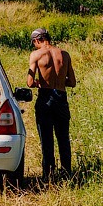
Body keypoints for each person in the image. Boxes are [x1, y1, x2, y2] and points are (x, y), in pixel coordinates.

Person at [27, 26, 75, 181]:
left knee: (46, 138)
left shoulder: (36, 54)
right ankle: (67, 173)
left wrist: (40, 83)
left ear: (37, 40)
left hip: (45, 97)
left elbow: (29, 82)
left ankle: (48, 175)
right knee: (63, 138)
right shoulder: (65, 55)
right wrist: (59, 82)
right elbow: (72, 82)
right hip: (61, 97)